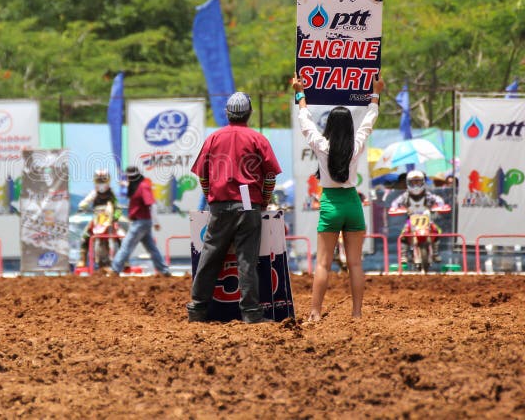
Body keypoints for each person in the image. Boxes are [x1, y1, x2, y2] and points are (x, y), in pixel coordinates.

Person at [292, 74, 385, 322]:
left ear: (330, 126)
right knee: (355, 264)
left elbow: (305, 122)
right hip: (353, 204)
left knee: (323, 264)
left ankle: (315, 313)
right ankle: (356, 313)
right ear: (349, 128)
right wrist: (375, 93)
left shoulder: (322, 145)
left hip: (331, 204)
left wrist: (301, 94)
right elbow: (369, 121)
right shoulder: (356, 146)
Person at [186, 92, 282, 324]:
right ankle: (250, 314)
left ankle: (197, 311)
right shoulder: (258, 139)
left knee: (209, 257)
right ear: (249, 113)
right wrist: (265, 199)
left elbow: (202, 174)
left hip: (219, 205)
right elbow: (270, 175)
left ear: (227, 113)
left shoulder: (214, 138)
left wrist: (211, 197)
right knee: (246, 260)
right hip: (249, 207)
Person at [103, 166, 171, 277]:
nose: (128, 179)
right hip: (142, 221)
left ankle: (115, 269)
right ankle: (164, 271)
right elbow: (132, 188)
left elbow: (152, 204)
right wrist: (124, 184)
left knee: (126, 245)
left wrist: (156, 222)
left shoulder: (143, 186)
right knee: (151, 248)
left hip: (141, 222)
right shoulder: (137, 185)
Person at [390, 170, 445, 263]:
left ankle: (435, 253)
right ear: (408, 183)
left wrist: (440, 206)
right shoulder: (405, 196)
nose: (415, 185)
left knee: (436, 230)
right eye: (413, 182)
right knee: (404, 233)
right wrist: (394, 208)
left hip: (426, 219)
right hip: (411, 220)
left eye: (418, 182)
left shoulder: (428, 195)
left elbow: (439, 200)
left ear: (423, 182)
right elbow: (395, 203)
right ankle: (404, 255)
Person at [76, 169, 121, 268]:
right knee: (85, 234)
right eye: (99, 180)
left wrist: (116, 216)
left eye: (103, 180)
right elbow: (86, 200)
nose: (101, 182)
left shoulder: (111, 194)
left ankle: (124, 260)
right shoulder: (94, 193)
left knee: (121, 235)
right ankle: (82, 259)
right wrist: (81, 206)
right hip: (97, 219)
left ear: (108, 180)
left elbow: (118, 207)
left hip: (109, 220)